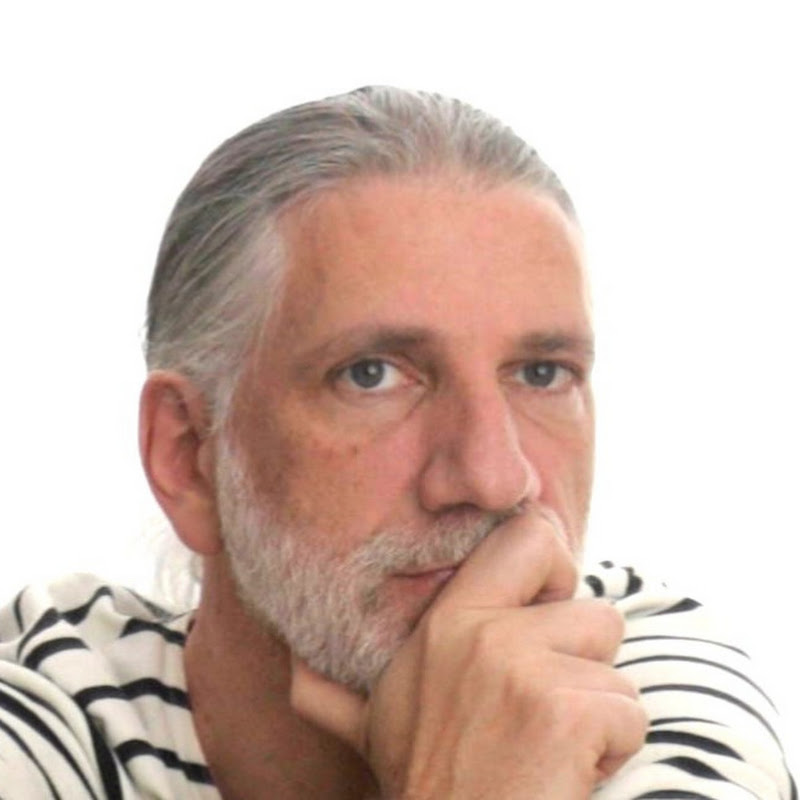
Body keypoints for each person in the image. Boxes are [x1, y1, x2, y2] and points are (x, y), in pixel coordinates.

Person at [0, 86, 794, 799]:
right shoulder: (41, 725)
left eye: (541, 374)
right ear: (189, 456)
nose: (494, 477)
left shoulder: (648, 682)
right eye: (372, 374)